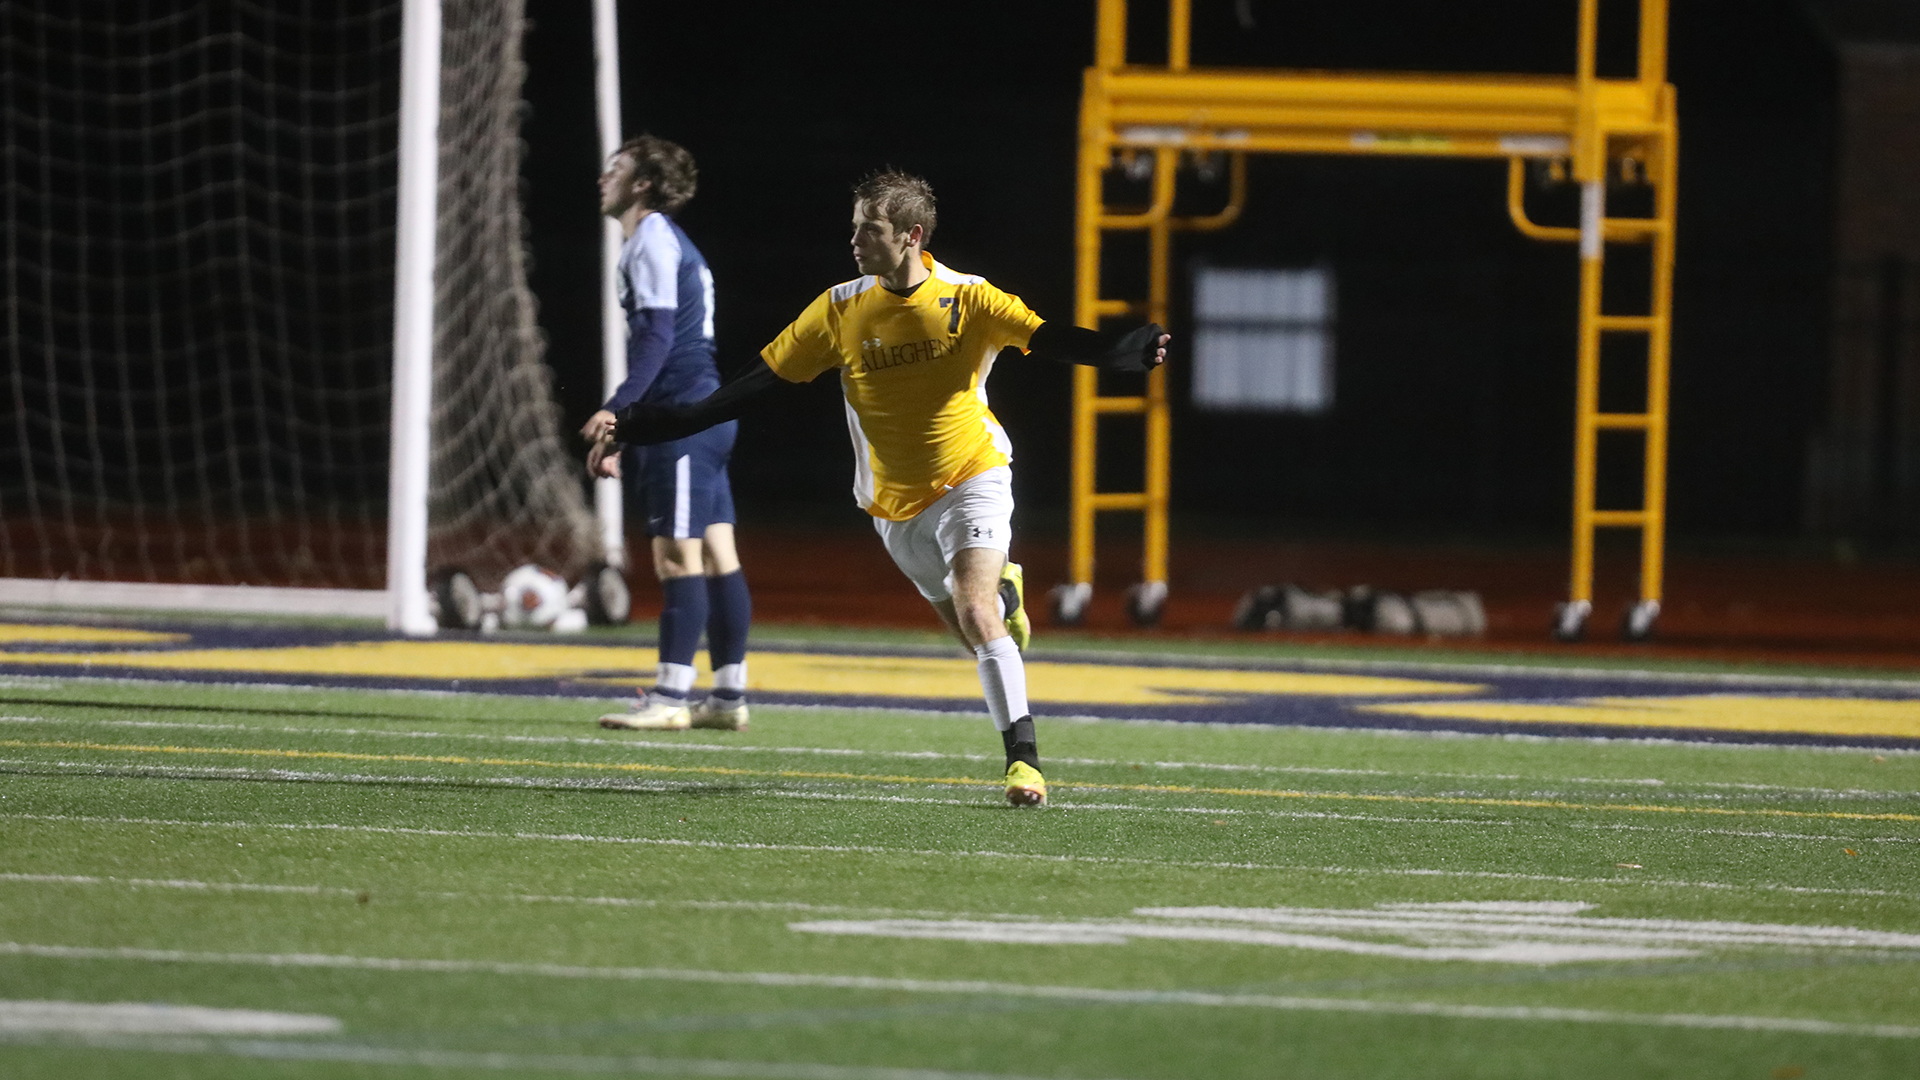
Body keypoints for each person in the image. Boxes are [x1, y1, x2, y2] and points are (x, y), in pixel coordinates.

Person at [589, 169, 1167, 805]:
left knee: (974, 613)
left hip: (973, 475)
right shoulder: (840, 308)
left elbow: (1049, 337)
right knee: (976, 632)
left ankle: (1023, 763)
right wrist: (643, 425)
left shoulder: (968, 298)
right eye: (856, 225)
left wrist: (1122, 352)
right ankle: (1006, 591)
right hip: (891, 509)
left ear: (912, 236)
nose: (856, 238)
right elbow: (749, 388)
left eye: (871, 227)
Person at [581, 135, 752, 733]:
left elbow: (656, 339)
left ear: (643, 183)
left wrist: (619, 412)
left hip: (683, 412)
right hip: (701, 409)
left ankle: (671, 695)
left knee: (676, 557)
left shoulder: (650, 237)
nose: (604, 178)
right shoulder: (665, 241)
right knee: (715, 552)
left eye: (616, 169)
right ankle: (728, 697)